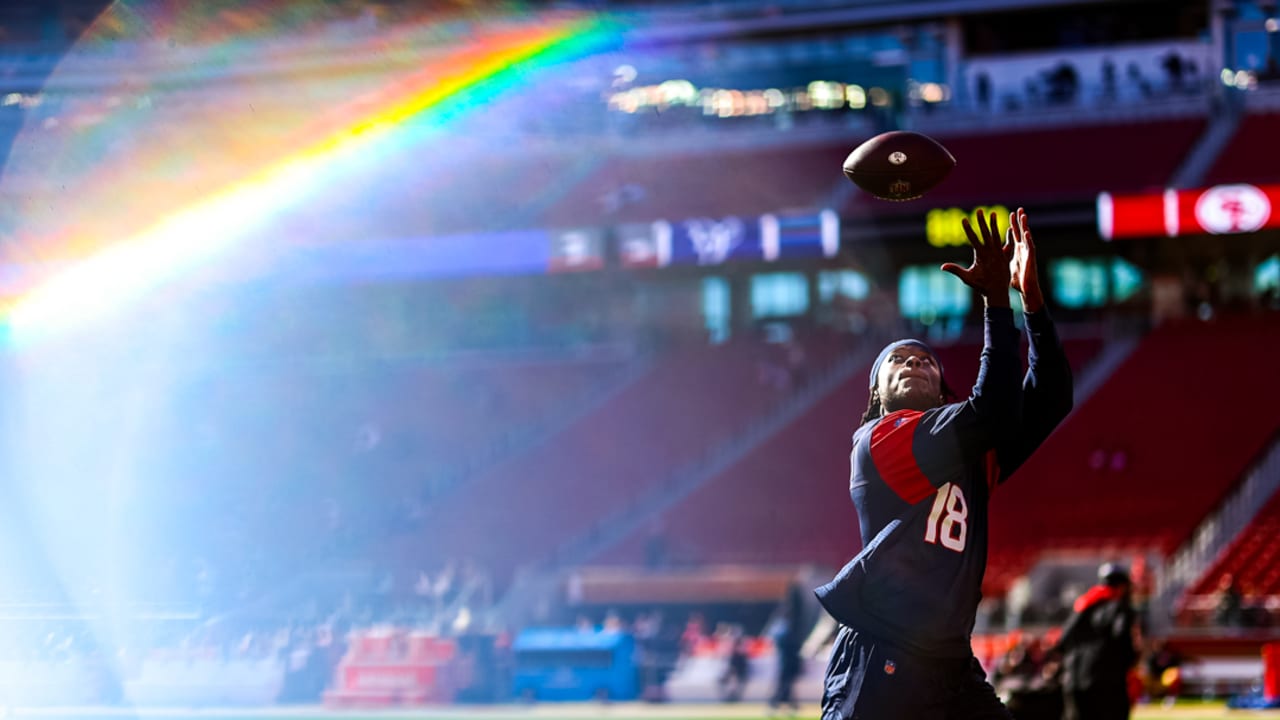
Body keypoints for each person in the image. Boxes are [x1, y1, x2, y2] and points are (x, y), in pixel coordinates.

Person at [814, 208, 1074, 720]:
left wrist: (1035, 307)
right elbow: (994, 408)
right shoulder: (881, 439)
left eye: (926, 360)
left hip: (950, 661)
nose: (914, 362)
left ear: (942, 388)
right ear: (875, 392)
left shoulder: (974, 451)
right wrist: (996, 301)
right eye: (898, 360)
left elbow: (1051, 398)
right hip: (883, 652)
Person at [1055, 563, 1139, 720]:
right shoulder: (1120, 608)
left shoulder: (1083, 606)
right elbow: (1121, 638)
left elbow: (1062, 642)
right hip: (1106, 684)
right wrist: (1130, 659)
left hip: (1074, 681)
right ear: (1122, 587)